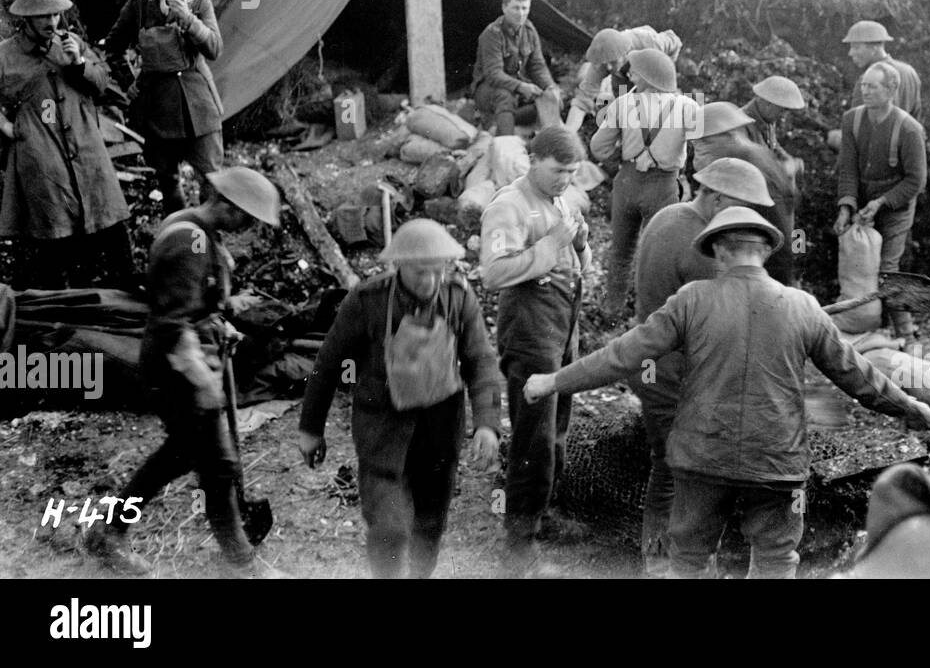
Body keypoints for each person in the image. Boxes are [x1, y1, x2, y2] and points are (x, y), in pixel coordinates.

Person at [523, 207, 930, 578]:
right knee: (776, 560)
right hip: (776, 464)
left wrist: (552, 381)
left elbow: (621, 356)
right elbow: (858, 376)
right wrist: (909, 406)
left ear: (719, 252)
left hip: (702, 459)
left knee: (688, 560)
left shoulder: (691, 300)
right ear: (765, 253)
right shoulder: (803, 306)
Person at [84, 167, 283, 578]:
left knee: (182, 458)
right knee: (218, 467)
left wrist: (218, 324)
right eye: (247, 218)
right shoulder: (189, 240)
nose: (247, 228)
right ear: (228, 206)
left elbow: (191, 306)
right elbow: (174, 322)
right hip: (176, 369)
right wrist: (204, 380)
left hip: (179, 361)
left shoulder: (192, 229)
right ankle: (243, 567)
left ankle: (108, 532)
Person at [297, 219, 501, 578]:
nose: (432, 281)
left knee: (430, 525)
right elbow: (328, 364)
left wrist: (487, 424)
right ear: (399, 267)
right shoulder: (368, 301)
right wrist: (310, 428)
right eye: (422, 272)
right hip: (382, 435)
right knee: (390, 529)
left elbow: (480, 360)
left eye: (440, 271)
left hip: (439, 432)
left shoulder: (457, 296)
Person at [628, 157, 774, 576]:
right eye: (740, 206)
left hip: (655, 365)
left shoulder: (668, 216)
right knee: (682, 475)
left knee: (667, 468)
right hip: (676, 375)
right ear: (715, 196)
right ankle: (669, 565)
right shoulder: (700, 245)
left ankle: (660, 561)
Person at [479, 126, 591, 574]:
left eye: (572, 171)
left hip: (563, 320)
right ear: (533, 159)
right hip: (530, 325)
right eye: (558, 169)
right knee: (534, 435)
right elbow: (494, 272)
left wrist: (578, 243)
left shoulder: (559, 197)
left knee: (558, 423)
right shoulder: (509, 205)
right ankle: (519, 544)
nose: (565, 178)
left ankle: (543, 514)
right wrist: (551, 244)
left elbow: (573, 257)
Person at [0, 0, 132, 288]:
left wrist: (79, 63)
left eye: (56, 15)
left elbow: (102, 85)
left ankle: (118, 288)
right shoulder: (6, 55)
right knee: (53, 226)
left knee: (106, 214)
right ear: (26, 20)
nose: (52, 22)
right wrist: (6, 126)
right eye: (43, 16)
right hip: (40, 147)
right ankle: (59, 298)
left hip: (85, 144)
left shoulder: (73, 43)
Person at [104, 0, 225, 214]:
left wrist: (190, 22)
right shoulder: (136, 8)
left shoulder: (198, 1)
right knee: (168, 180)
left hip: (199, 107)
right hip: (157, 109)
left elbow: (215, 49)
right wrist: (128, 84)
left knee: (211, 178)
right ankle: (179, 234)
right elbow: (112, 47)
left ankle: (206, 239)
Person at [590, 48, 701, 320]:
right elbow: (702, 148)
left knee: (620, 250)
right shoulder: (690, 106)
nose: (630, 74)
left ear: (649, 77)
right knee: (658, 256)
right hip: (664, 187)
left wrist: (621, 156)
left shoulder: (622, 103)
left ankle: (611, 309)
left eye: (635, 71)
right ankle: (651, 316)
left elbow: (598, 147)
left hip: (627, 182)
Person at [834, 61, 927, 334]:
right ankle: (871, 325)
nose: (865, 91)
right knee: (859, 263)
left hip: (897, 204)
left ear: (891, 90)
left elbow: (916, 181)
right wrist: (846, 206)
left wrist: (881, 203)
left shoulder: (909, 129)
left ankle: (905, 332)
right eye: (863, 85)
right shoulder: (851, 120)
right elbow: (848, 168)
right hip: (862, 201)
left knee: (888, 268)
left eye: (872, 86)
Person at [689, 101, 798, 284]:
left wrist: (789, 277)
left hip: (765, 261)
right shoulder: (743, 156)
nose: (699, 152)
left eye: (704, 142)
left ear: (730, 135)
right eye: (696, 144)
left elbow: (784, 224)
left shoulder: (750, 166)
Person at [469, 0, 560, 136]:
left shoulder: (529, 31)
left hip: (516, 86)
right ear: (504, 8)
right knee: (504, 96)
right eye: (515, 8)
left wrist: (549, 87)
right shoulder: (492, 34)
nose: (521, 13)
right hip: (488, 89)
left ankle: (549, 141)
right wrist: (521, 86)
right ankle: (507, 143)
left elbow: (537, 66)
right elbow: (493, 74)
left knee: (550, 98)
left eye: (525, 8)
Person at [565, 25, 683, 132]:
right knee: (626, 110)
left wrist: (665, 72)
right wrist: (568, 134)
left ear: (625, 52)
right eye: (605, 64)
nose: (609, 67)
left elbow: (675, 40)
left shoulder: (647, 41)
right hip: (623, 77)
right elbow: (582, 102)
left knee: (660, 104)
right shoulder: (600, 64)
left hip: (651, 68)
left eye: (612, 62)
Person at [843, 20, 921, 119]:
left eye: (856, 47)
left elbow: (857, 125)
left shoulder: (867, 80)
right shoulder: (910, 72)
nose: (850, 53)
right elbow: (916, 116)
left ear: (874, 48)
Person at [739, 75, 805, 156]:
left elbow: (774, 146)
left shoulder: (767, 121)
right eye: (781, 110)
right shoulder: (740, 125)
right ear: (768, 104)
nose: (783, 116)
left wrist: (787, 158)